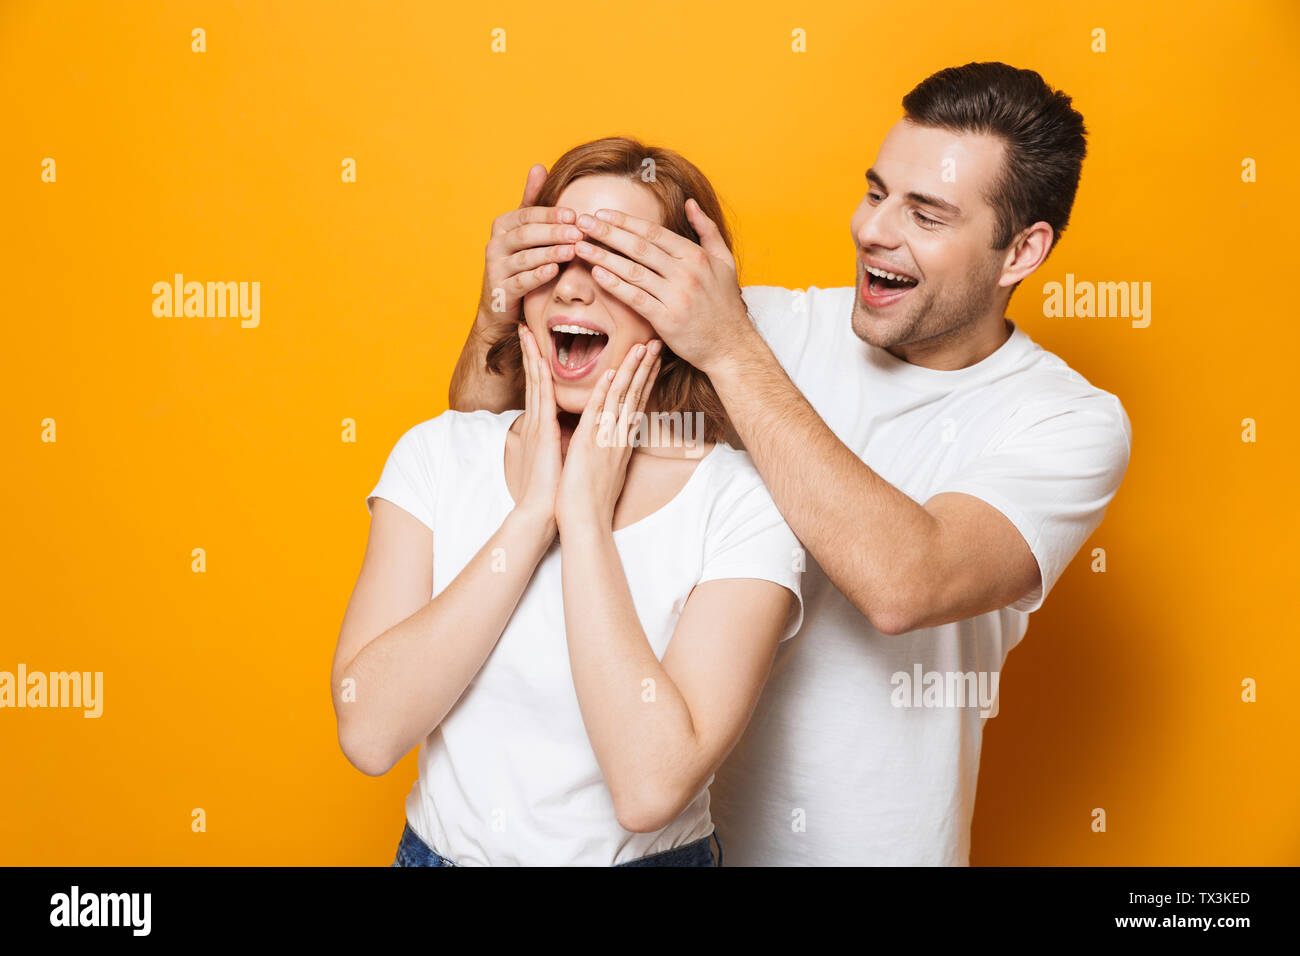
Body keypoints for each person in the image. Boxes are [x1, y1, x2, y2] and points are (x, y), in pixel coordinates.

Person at [450, 63, 1133, 865]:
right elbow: (480, 444)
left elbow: (906, 581)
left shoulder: (1065, 421)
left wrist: (730, 348)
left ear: (1021, 251)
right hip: (672, 847)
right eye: (877, 192)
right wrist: (500, 299)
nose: (876, 230)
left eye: (927, 214)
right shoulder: (758, 322)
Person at [332, 137, 803, 866]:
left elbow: (650, 789)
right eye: (555, 258)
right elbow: (368, 733)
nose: (575, 289)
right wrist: (530, 519)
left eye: (616, 263)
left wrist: (584, 525)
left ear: (681, 300)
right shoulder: (436, 454)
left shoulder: (743, 504)